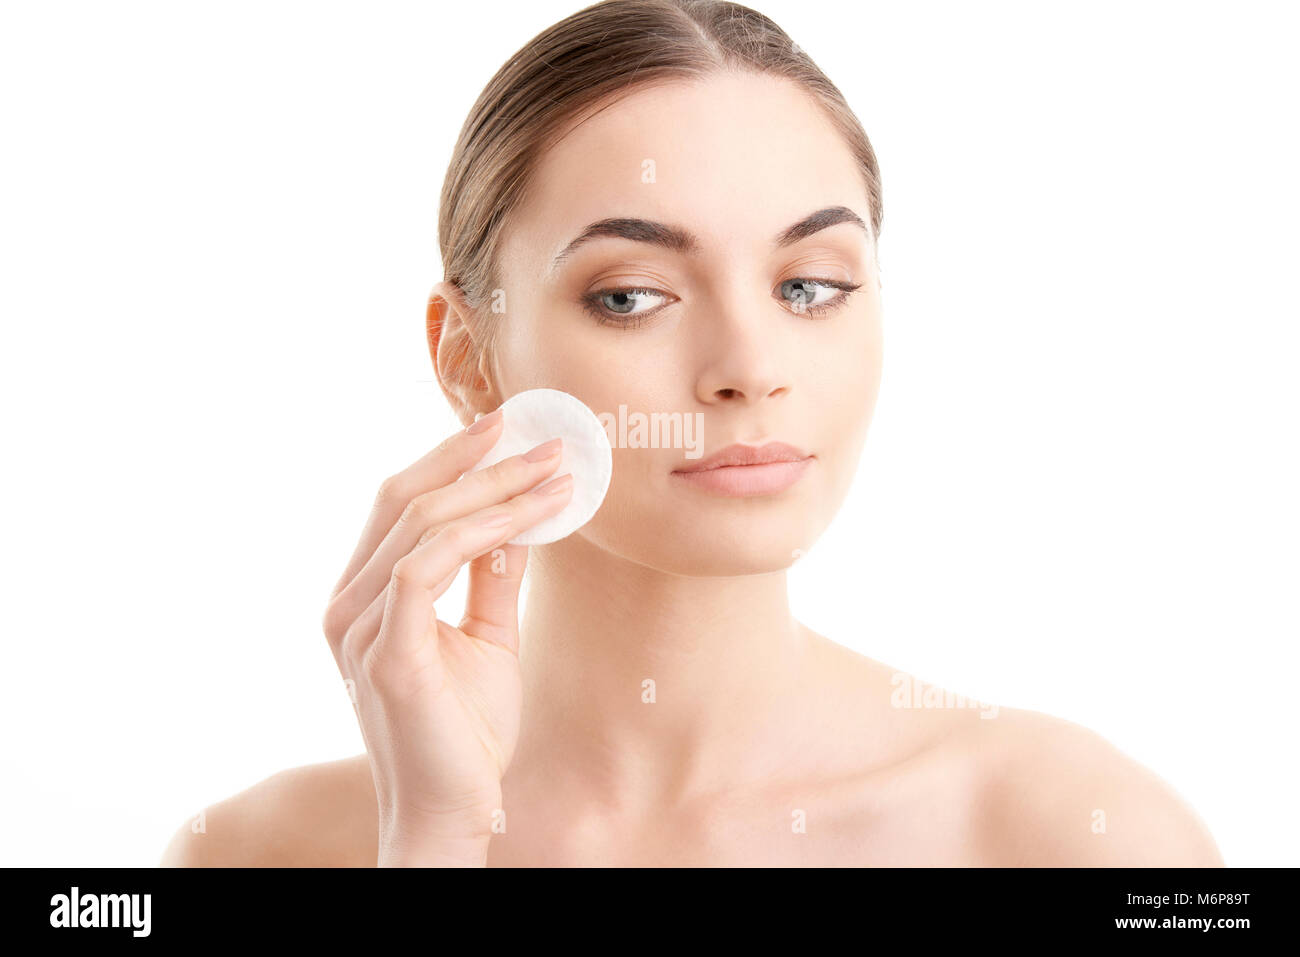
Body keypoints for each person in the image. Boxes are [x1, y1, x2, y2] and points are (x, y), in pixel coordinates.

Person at [162, 0, 1222, 867]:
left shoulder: (1079, 837)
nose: (751, 369)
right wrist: (436, 840)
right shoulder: (260, 854)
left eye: (809, 287)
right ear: (465, 355)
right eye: (630, 296)